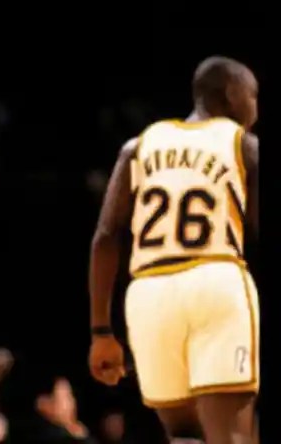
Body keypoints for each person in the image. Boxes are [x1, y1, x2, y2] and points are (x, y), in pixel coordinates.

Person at [88, 56, 260, 444]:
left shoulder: (139, 145)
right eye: (254, 96)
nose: (256, 109)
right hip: (215, 279)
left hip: (149, 291)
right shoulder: (241, 144)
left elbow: (105, 236)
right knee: (233, 435)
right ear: (233, 94)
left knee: (183, 435)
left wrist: (101, 330)